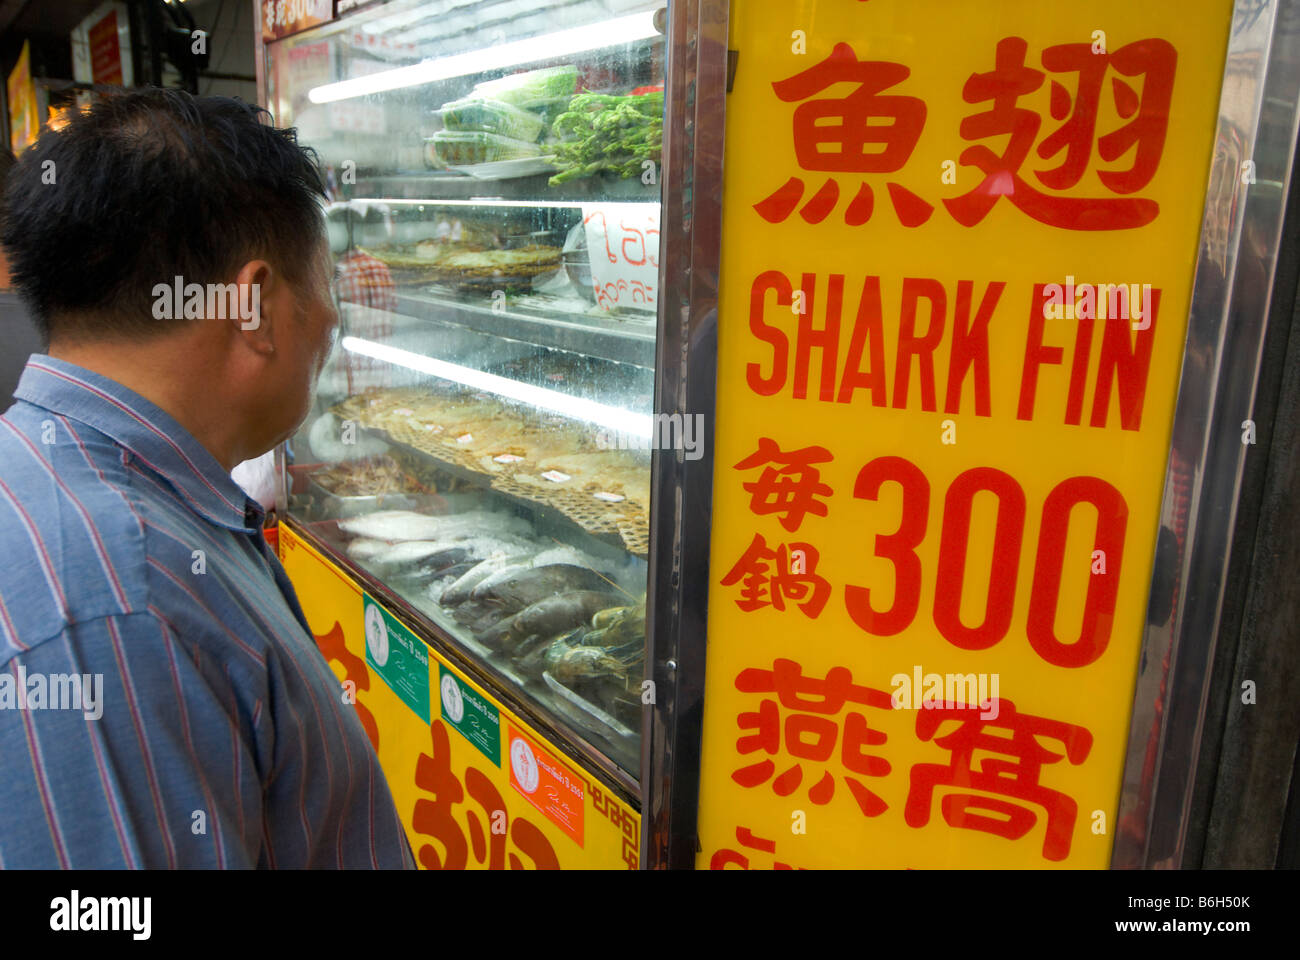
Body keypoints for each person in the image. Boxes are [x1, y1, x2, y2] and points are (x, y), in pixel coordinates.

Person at [0, 88, 414, 868]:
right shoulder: (121, 604)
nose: (330, 320)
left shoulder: (56, 474)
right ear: (254, 306)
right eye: (324, 284)